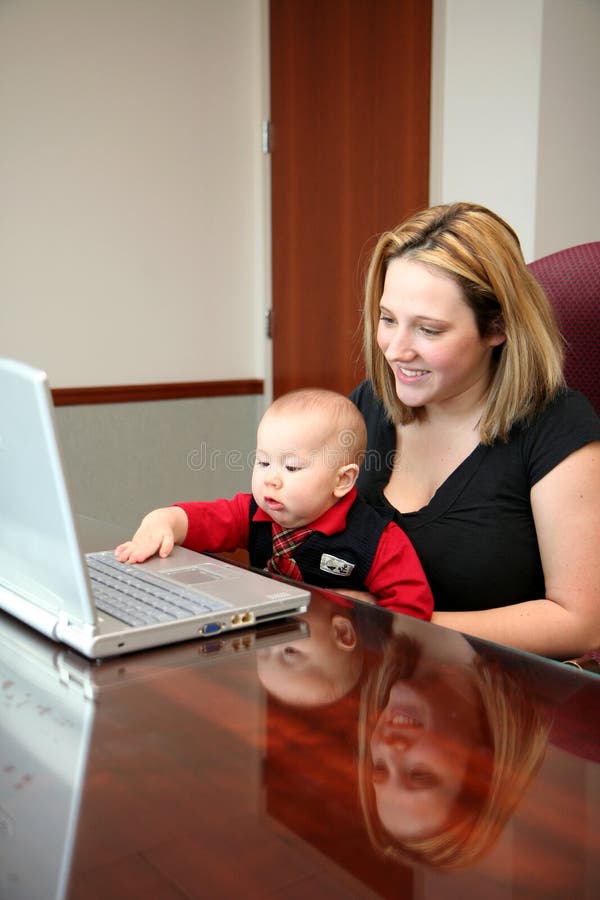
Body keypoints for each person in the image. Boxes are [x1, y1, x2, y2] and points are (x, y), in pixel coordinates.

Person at [351, 201, 600, 658]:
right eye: (388, 320)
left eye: (428, 330)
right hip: (371, 687)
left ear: (498, 327)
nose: (396, 350)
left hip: (500, 708)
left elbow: (581, 624)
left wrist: (393, 622)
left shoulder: (557, 429)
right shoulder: (369, 403)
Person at [115, 388, 433, 618]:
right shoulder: (256, 512)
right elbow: (205, 520)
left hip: (341, 660)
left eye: (291, 467)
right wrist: (165, 520)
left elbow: (412, 608)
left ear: (342, 481)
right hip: (268, 637)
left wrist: (362, 626)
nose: (271, 480)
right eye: (263, 463)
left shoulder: (376, 539)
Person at [358, 621, 549, 871]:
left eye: (379, 768)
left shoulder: (364, 634)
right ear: (482, 765)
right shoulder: (545, 667)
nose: (389, 745)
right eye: (419, 774)